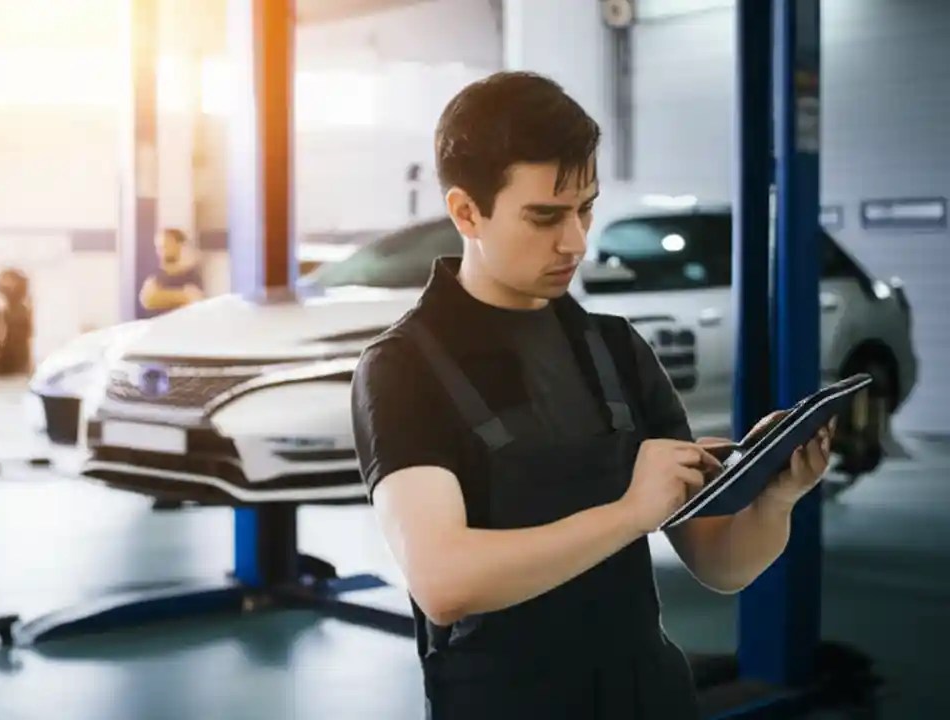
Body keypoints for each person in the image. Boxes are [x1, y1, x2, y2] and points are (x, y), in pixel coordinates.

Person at [350, 71, 835, 719]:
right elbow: (444, 581)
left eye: (585, 208)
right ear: (467, 212)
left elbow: (721, 564)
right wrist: (632, 513)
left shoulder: (615, 349)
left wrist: (774, 497)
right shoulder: (403, 367)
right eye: (545, 216)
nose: (576, 241)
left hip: (646, 695)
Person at [139, 227, 205, 315]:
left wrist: (159, 296)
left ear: (179, 245)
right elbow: (147, 299)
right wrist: (180, 296)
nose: (160, 251)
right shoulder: (157, 275)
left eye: (166, 245)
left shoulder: (192, 276)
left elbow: (194, 298)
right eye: (159, 247)